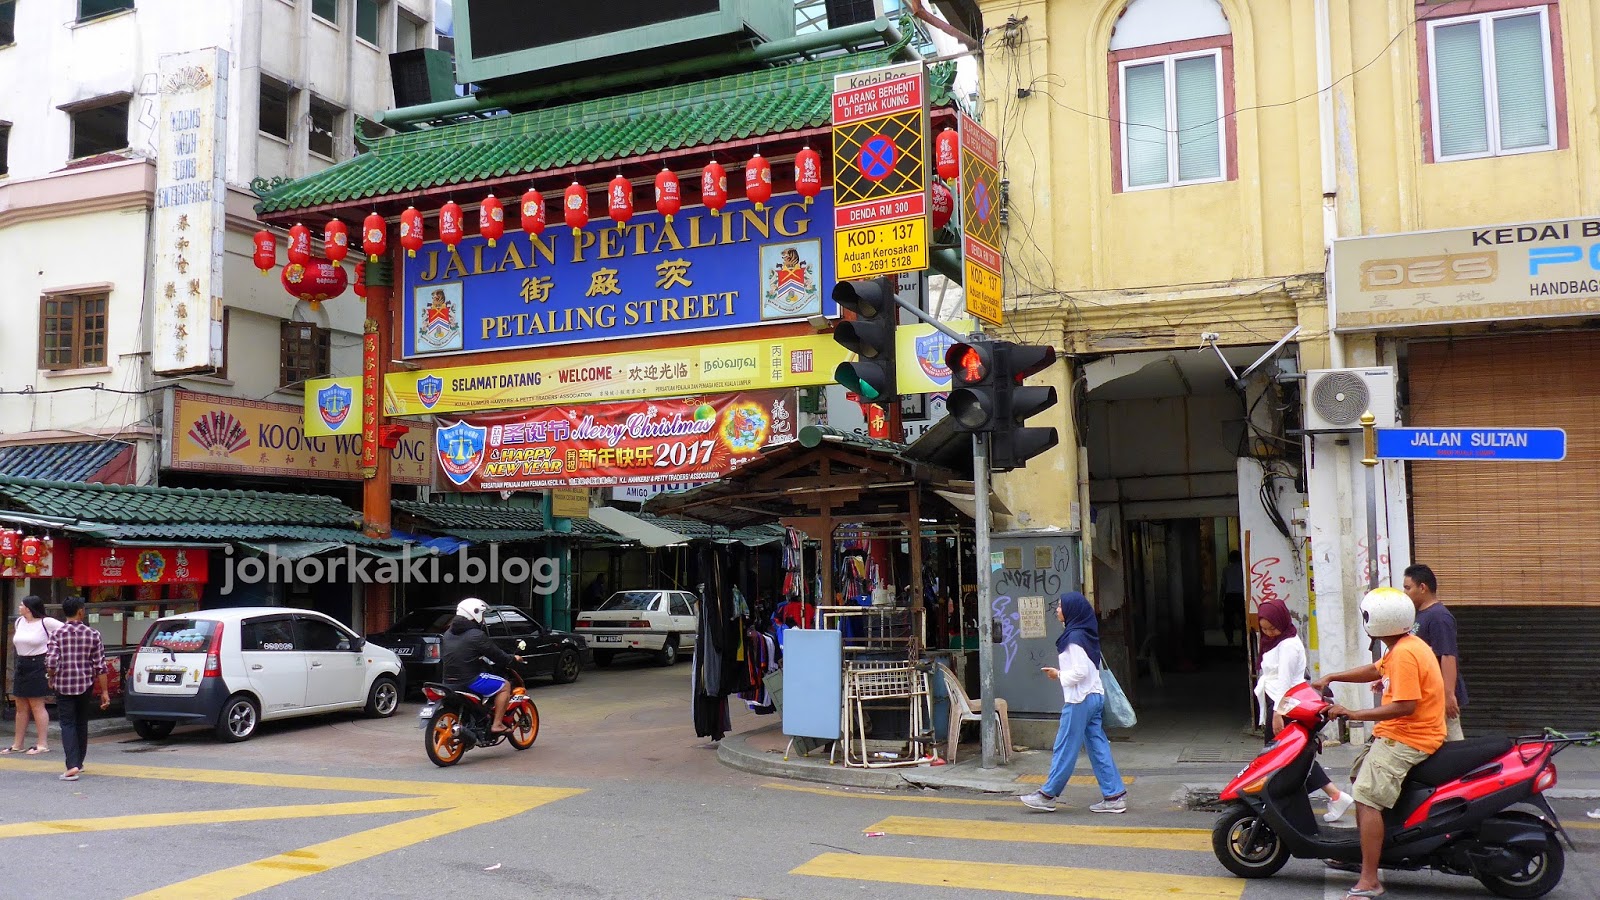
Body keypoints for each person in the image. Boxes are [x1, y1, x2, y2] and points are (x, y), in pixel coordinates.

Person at [1312, 586, 1447, 899]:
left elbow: (1405, 706)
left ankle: (1370, 878)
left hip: (1409, 736)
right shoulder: (1404, 645)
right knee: (1360, 777)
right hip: (1398, 731)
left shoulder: (1404, 653)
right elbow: (1376, 669)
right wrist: (1332, 677)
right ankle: (1364, 855)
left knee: (1366, 796)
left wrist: (1353, 712)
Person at [1019, 593, 1129, 815]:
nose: (1057, 610)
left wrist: (1058, 674)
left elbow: (1079, 672)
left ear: (1071, 611)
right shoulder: (1086, 634)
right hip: (1095, 696)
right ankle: (1114, 795)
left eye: (1060, 607)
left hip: (1080, 699)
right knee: (1098, 747)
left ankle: (1048, 794)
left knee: (1065, 746)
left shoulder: (1074, 637)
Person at [1254, 600, 1355, 822]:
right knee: (1290, 757)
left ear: (1282, 621)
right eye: (1265, 629)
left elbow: (1284, 682)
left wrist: (1278, 713)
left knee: (1284, 758)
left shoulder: (1288, 645)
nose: (1270, 632)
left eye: (1273, 627)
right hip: (1280, 703)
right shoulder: (1275, 642)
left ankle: (1292, 802)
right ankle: (1334, 796)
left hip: (1286, 706)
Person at [43, 597, 110, 781]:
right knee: (81, 722)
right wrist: (104, 692)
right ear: (80, 611)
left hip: (63, 685)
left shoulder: (57, 634)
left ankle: (71, 764)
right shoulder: (93, 634)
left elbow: (51, 661)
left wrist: (52, 675)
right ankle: (78, 763)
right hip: (85, 684)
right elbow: (100, 666)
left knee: (67, 724)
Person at [1403, 564, 1466, 742]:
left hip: (1439, 696)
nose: (1405, 593)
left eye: (1408, 588)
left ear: (1422, 587)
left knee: (1453, 745)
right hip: (1428, 696)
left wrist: (1448, 695)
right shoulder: (1421, 615)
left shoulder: (1439, 617)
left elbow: (1447, 655)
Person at [440, 598, 522, 734]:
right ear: (475, 614)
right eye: (482, 615)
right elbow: (497, 656)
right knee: (505, 686)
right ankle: (497, 724)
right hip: (470, 680)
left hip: (448, 681)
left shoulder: (447, 634)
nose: (483, 619)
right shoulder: (477, 635)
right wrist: (512, 659)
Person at [6, 596, 61, 756]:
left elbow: (66, 631)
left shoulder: (46, 622)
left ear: (29, 608)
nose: (19, 607)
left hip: (39, 663)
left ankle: (42, 743)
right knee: (20, 705)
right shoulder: (19, 622)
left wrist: (55, 652)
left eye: (22, 605)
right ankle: (18, 744)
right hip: (22, 662)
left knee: (37, 704)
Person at [1221, 550, 1246, 646]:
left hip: (1230, 596)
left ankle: (1230, 641)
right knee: (1244, 620)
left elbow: (1223, 586)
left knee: (1228, 620)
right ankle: (1245, 640)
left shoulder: (1226, 569)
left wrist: (1220, 600)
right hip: (1241, 596)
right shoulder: (1243, 568)